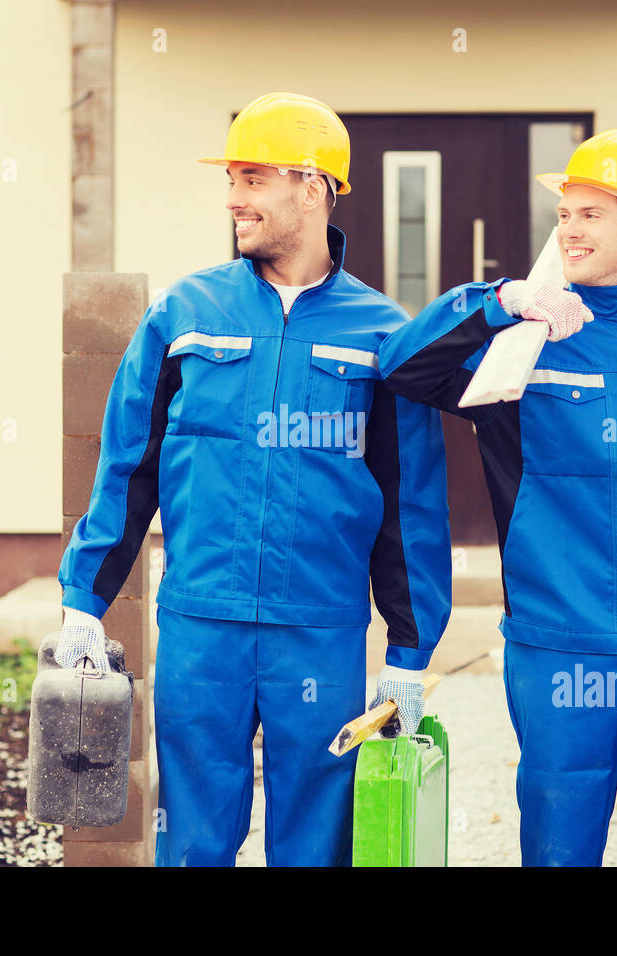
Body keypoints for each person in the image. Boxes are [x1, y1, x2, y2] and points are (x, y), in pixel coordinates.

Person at [56, 92, 451, 866]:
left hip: (321, 629)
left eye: (253, 177)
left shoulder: (381, 333)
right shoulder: (186, 313)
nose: (234, 197)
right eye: (230, 178)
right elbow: (128, 467)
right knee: (194, 837)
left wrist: (408, 650)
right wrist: (83, 601)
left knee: (316, 844)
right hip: (204, 622)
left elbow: (410, 506)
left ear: (313, 187)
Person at [378, 129, 617, 866]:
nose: (568, 230)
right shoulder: (524, 347)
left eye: (590, 214)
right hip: (559, 650)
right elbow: (403, 368)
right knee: (559, 851)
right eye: (564, 215)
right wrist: (501, 302)